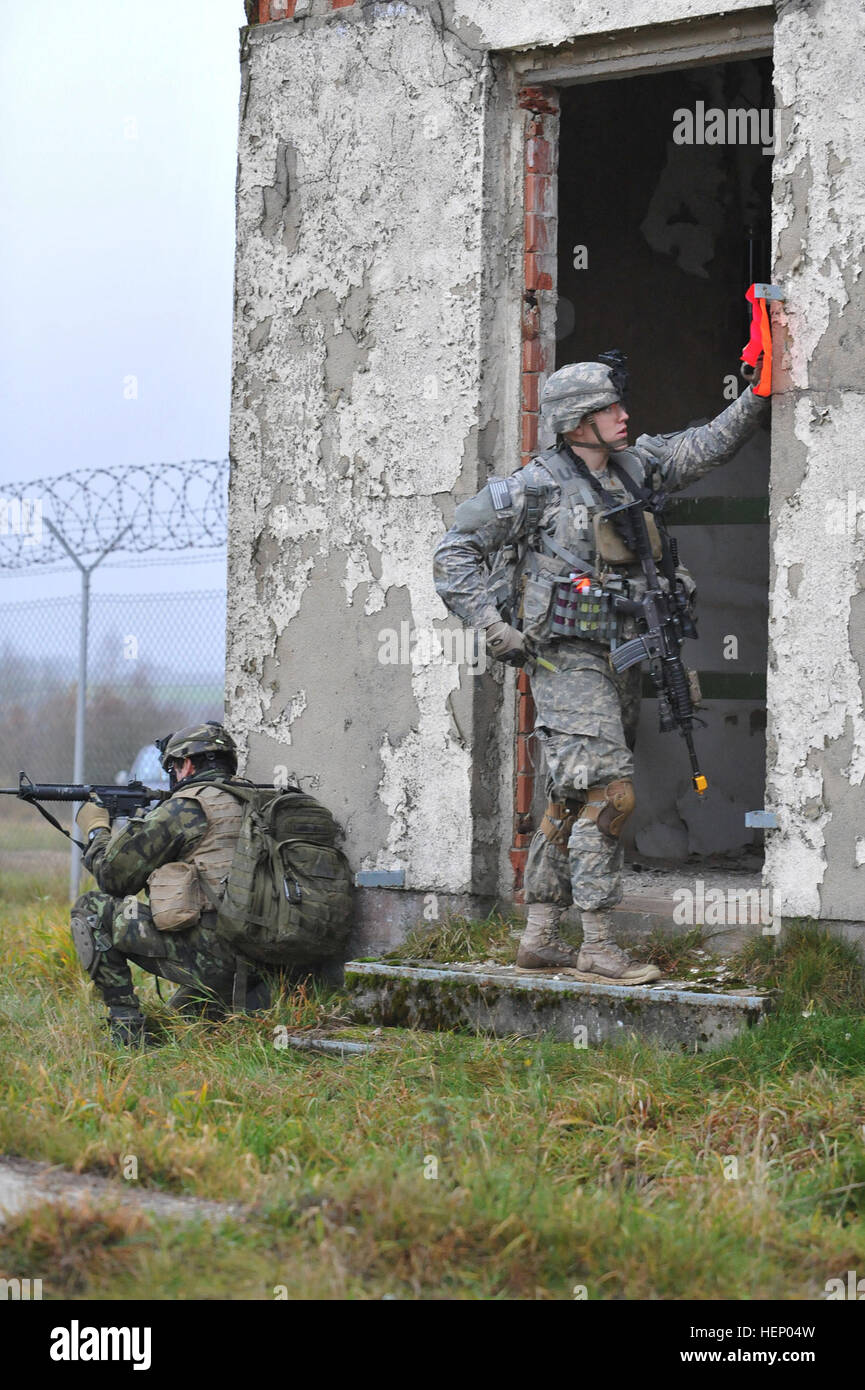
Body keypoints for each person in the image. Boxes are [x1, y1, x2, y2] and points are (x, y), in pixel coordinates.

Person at [433, 355, 769, 982]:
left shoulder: (634, 469)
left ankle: (538, 937)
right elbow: (454, 551)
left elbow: (706, 447)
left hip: (620, 656)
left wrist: (758, 395)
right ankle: (598, 944)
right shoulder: (533, 487)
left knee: (566, 798)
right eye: (610, 409)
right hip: (565, 659)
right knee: (610, 794)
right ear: (576, 421)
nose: (624, 416)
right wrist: (491, 626)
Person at [71, 722, 265, 1045]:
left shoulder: (186, 807)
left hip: (215, 958)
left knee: (90, 909)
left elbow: (114, 876)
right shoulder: (259, 801)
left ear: (186, 764)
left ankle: (126, 1031)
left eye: (173, 767)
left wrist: (96, 830)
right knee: (178, 1025)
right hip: (266, 961)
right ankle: (226, 1005)